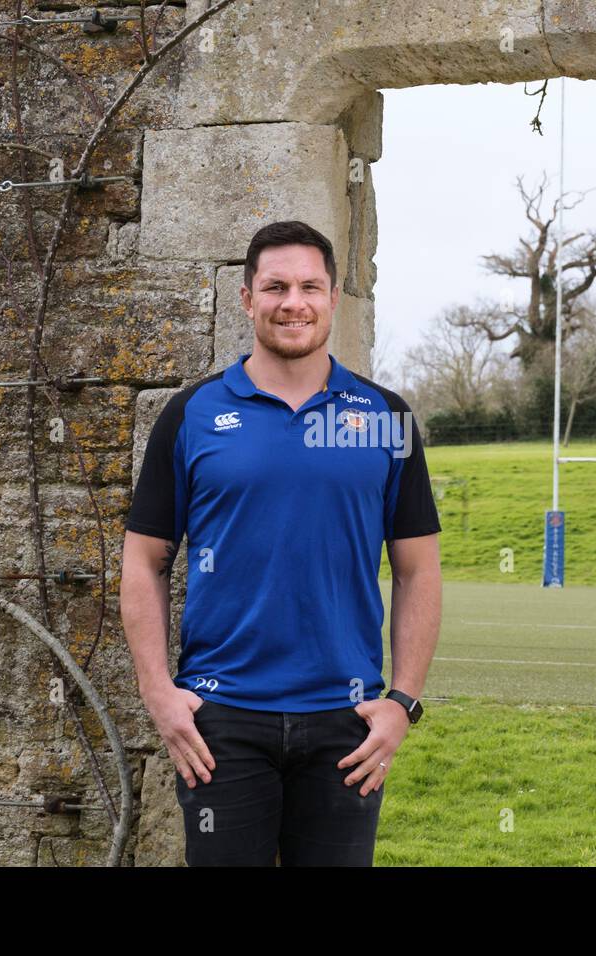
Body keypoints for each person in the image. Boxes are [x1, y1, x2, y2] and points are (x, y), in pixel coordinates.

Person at [119, 219, 443, 866]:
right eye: (275, 286)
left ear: (332, 298)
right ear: (247, 298)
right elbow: (143, 561)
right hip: (223, 721)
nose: (292, 301)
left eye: (309, 286)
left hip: (346, 726)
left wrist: (402, 703)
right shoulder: (193, 414)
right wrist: (158, 692)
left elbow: (418, 572)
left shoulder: (386, 416)